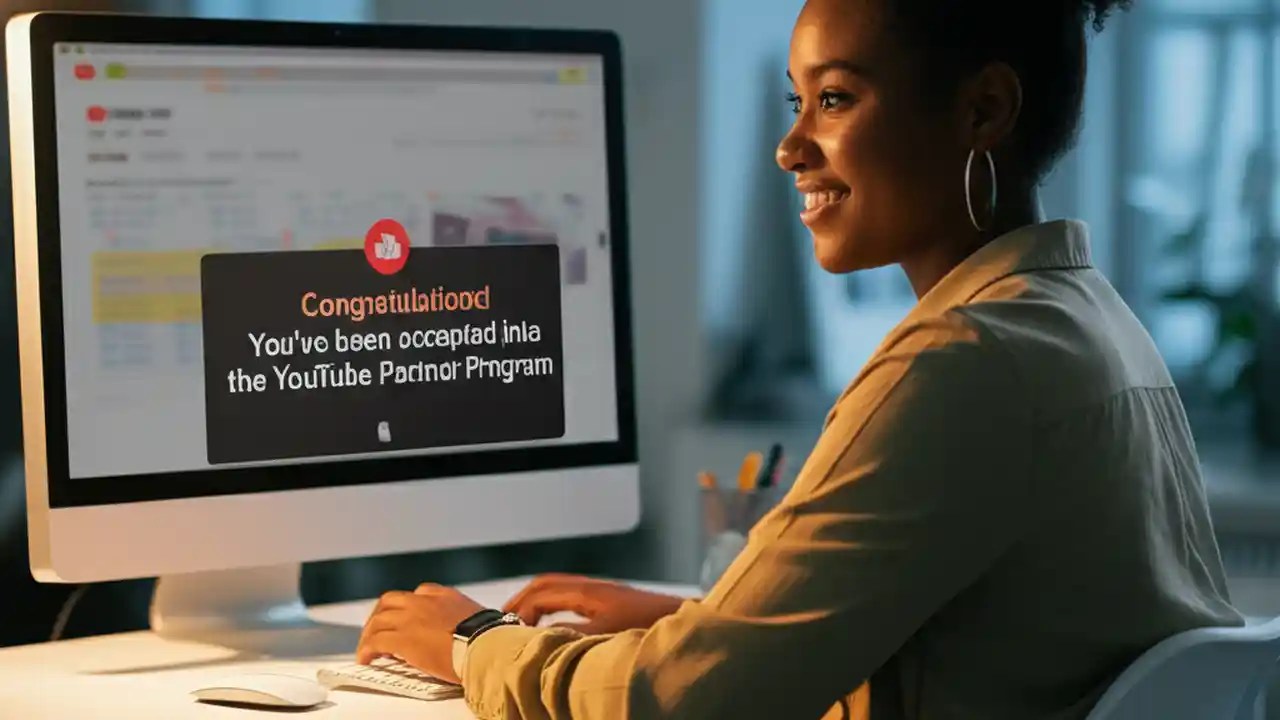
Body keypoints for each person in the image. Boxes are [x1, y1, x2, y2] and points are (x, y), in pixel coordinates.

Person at [356, 0, 1245, 717]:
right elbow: (979, 644)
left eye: (836, 99)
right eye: (797, 102)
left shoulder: (962, 359)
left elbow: (686, 705)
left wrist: (475, 642)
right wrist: (704, 623)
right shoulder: (1087, 318)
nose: (790, 148)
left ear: (984, 110)